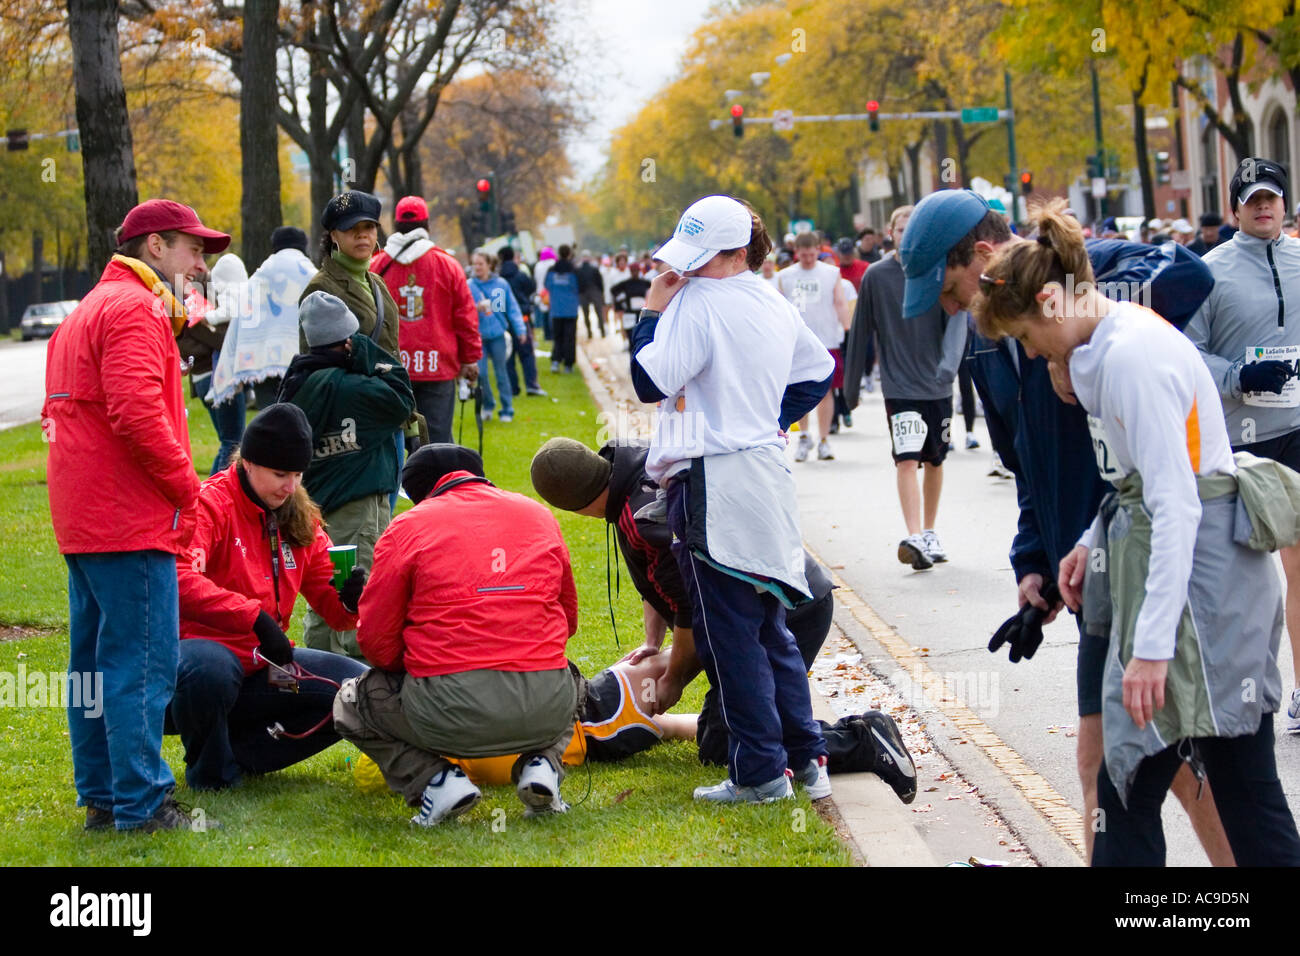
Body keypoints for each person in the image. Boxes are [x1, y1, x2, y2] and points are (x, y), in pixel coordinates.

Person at [901, 187, 1230, 864]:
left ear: (986, 256)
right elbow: (1024, 466)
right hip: (1087, 570)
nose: (955, 308)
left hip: (1152, 565)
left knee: (1171, 766)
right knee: (1111, 765)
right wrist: (1034, 566)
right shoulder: (990, 349)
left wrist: (1082, 318)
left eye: (954, 289)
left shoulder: (1080, 287)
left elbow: (1191, 275)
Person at [973, 197, 1300, 867]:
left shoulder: (1129, 359)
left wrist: (1150, 651)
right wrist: (1090, 544)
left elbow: (1176, 499)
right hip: (1189, 579)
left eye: (1026, 337)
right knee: (1164, 787)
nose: (1029, 354)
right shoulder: (1105, 350)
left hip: (1204, 589)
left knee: (1215, 787)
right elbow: (1136, 483)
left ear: (1051, 303)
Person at [529, 436, 920, 802]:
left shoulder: (643, 519)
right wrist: (652, 640)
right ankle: (815, 752)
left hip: (782, 609)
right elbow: (657, 581)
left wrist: (673, 680)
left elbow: (688, 604)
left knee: (730, 742)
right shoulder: (633, 470)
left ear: (574, 508)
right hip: (774, 593)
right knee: (730, 729)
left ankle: (864, 740)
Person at [629, 194, 836, 804]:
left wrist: (649, 313)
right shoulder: (771, 300)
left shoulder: (695, 302)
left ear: (736, 250)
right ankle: (809, 759)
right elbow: (820, 369)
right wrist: (773, 421)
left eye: (700, 257)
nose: (686, 269)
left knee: (731, 634)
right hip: (765, 475)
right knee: (771, 627)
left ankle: (761, 774)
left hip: (711, 479)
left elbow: (648, 381)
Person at [44, 198, 228, 832]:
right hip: (127, 518)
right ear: (155, 247)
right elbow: (136, 414)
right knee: (139, 664)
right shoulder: (135, 308)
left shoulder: (89, 309)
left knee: (92, 666)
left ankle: (103, 797)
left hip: (86, 518)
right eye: (193, 248)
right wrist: (188, 490)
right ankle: (142, 803)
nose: (201, 263)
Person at [333, 443, 582, 825]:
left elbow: (378, 645)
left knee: (350, 703)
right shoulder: (538, 515)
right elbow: (567, 620)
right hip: (546, 704)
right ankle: (542, 765)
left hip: (447, 710)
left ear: (419, 495)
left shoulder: (408, 527)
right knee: (572, 678)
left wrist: (423, 661)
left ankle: (435, 781)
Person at [169, 403, 368, 790]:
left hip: (266, 664)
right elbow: (176, 580)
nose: (290, 486)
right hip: (200, 656)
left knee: (360, 692)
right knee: (208, 671)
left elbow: (335, 610)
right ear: (248, 463)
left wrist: (351, 601)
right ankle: (211, 775)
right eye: (280, 474)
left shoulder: (299, 513)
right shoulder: (210, 504)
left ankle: (242, 754)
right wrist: (253, 617)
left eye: (297, 474)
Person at [1184, 156, 1300, 731]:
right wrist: (1236, 376)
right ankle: (1241, 696)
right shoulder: (1210, 272)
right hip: (1239, 440)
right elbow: (1185, 351)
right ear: (1234, 210)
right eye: (1252, 198)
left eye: (1271, 197)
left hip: (1299, 431)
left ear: (1284, 203)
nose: (1262, 206)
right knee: (1248, 580)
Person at [278, 292, 420, 658]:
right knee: (359, 592)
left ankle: (321, 676)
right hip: (357, 503)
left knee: (324, 595)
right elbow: (402, 396)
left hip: (315, 502)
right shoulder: (354, 387)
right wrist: (366, 352)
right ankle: (355, 683)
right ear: (346, 340)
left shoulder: (300, 381)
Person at [852, 203, 965, 570]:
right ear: (891, 233)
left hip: (937, 385)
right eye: (901, 229)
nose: (907, 235)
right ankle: (914, 534)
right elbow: (861, 332)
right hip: (899, 387)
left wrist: (950, 370)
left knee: (935, 459)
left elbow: (959, 321)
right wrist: (850, 386)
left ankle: (930, 531)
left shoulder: (939, 270)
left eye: (913, 229)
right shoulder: (876, 276)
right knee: (906, 459)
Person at [369, 196, 482, 445]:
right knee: (437, 440)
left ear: (396, 225)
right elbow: (465, 316)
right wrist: (469, 359)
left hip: (390, 368)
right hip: (437, 366)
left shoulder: (376, 265)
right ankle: (439, 484)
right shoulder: (448, 265)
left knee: (393, 441)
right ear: (427, 225)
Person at [210, 226, 316, 413]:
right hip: (306, 361)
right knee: (302, 418)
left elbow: (242, 317)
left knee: (270, 417)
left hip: (261, 362)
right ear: (304, 246)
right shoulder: (312, 274)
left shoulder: (261, 275)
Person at [777, 232, 850, 461]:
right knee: (799, 389)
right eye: (804, 254)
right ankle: (805, 435)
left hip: (826, 340)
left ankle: (825, 439)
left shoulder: (830, 273)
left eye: (812, 254)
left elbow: (840, 302)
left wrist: (847, 331)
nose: (808, 258)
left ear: (818, 250)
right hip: (796, 344)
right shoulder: (786, 276)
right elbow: (779, 308)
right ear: (796, 252)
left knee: (826, 390)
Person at [176, 252, 247, 476]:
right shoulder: (189, 290)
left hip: (205, 373)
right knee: (233, 441)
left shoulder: (189, 288)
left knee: (229, 440)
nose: (201, 265)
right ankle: (216, 494)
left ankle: (213, 493)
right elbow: (201, 328)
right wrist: (233, 339)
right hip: (213, 372)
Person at [468, 251, 527, 423]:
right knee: (482, 374)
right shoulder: (469, 285)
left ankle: (507, 409)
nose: (477, 267)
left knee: (502, 372)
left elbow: (513, 308)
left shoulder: (501, 284)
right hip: (477, 337)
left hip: (497, 335)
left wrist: (520, 329)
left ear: (489, 265)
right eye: (475, 264)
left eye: (480, 264)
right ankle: (488, 405)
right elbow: (462, 309)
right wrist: (475, 308)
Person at [497, 246, 545, 397]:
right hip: (522, 318)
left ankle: (513, 388)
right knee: (527, 354)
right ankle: (531, 385)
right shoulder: (520, 274)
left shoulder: (498, 277)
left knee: (509, 356)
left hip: (504, 321)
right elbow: (532, 287)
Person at [544, 245, 580, 373]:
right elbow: (578, 287)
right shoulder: (574, 270)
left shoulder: (552, 270)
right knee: (570, 337)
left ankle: (555, 360)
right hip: (571, 309)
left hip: (556, 309)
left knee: (557, 336)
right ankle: (568, 364)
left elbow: (547, 285)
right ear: (569, 254)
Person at [576, 249, 606, 338]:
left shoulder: (578, 270)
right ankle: (602, 331)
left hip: (583, 292)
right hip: (594, 291)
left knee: (586, 313)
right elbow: (600, 282)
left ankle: (589, 332)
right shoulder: (594, 269)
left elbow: (578, 282)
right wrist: (601, 293)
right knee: (598, 312)